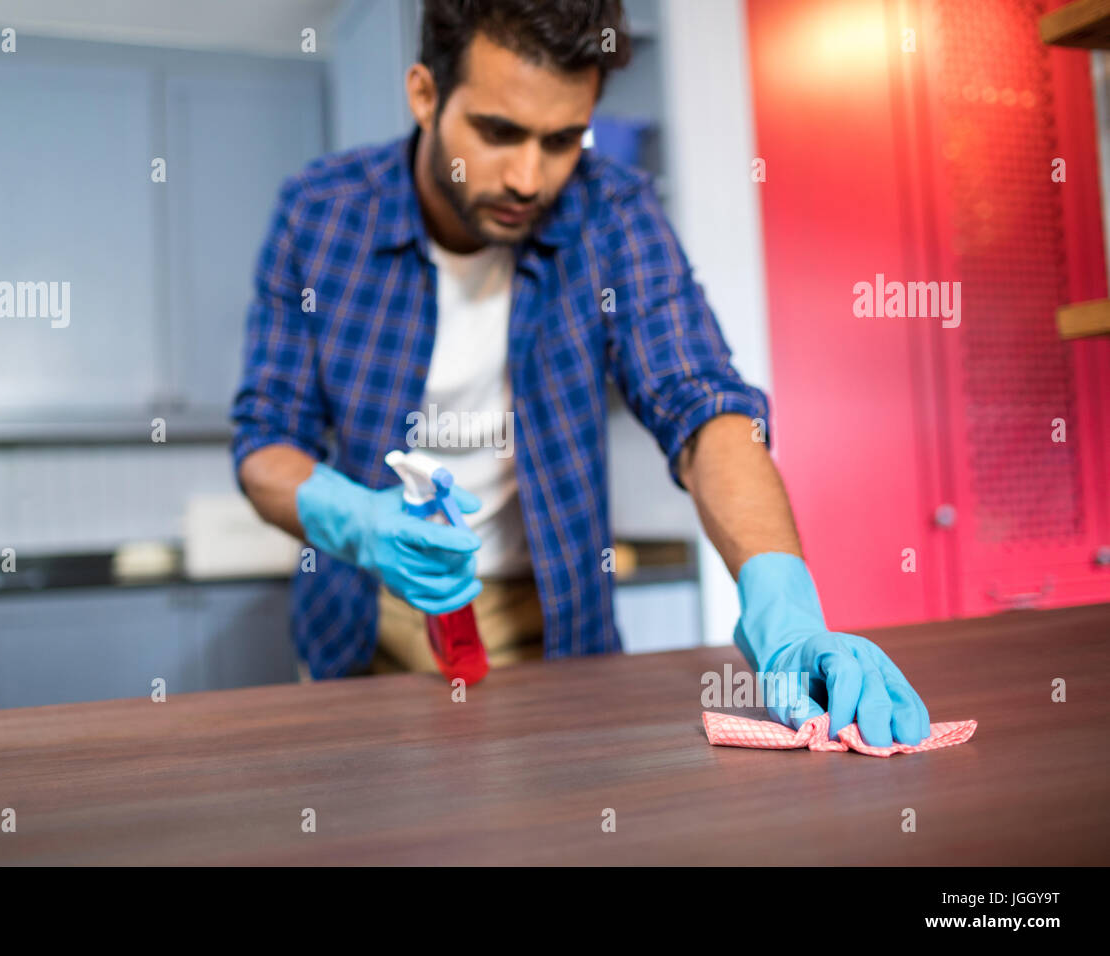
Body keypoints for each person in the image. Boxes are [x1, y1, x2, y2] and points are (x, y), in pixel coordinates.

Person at [231, 0, 930, 747]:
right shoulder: (321, 213)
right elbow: (267, 442)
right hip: (363, 625)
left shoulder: (613, 214)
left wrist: (787, 610)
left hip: (555, 628)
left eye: (563, 140)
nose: (529, 179)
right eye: (499, 133)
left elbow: (704, 409)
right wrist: (360, 524)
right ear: (426, 94)